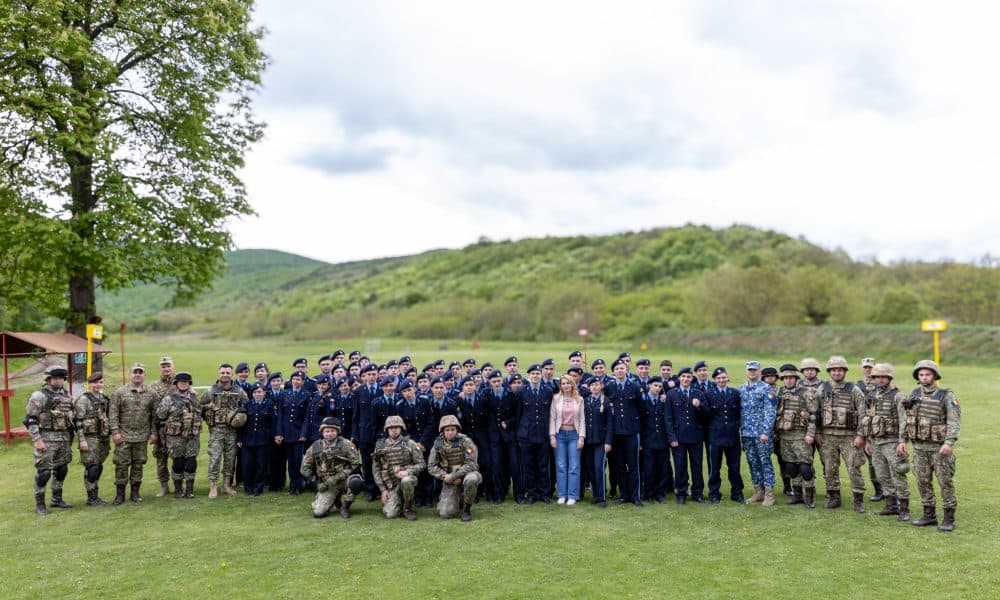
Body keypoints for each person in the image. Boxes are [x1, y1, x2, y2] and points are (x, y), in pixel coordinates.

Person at [905, 360, 960, 532]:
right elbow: (908, 418)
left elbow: (954, 421)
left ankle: (949, 518)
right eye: (921, 374)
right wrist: (903, 440)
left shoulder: (946, 395)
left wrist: (949, 443)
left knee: (945, 482)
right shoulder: (914, 394)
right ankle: (929, 515)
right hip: (920, 448)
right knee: (922, 481)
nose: (924, 377)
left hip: (939, 448)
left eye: (927, 374)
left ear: (935, 376)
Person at [25, 367, 78, 514]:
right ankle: (40, 504)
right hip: (46, 439)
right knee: (44, 473)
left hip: (64, 439)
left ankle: (57, 499)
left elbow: (72, 417)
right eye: (54, 378)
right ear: (48, 380)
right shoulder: (39, 396)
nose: (58, 381)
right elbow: (30, 419)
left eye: (60, 378)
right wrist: (37, 439)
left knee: (61, 469)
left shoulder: (67, 396)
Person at [817, 356, 867, 512]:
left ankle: (858, 500)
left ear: (845, 372)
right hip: (828, 436)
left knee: (854, 468)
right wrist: (817, 431)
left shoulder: (854, 390)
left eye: (840, 370)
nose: (837, 373)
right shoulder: (822, 389)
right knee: (830, 468)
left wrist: (860, 435)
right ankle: (834, 498)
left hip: (849, 437)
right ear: (829, 372)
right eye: (834, 370)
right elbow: (815, 412)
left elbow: (863, 414)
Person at [861, 363, 910, 520]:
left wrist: (902, 441)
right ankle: (891, 505)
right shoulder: (871, 396)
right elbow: (869, 418)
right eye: (877, 377)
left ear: (890, 378)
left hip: (892, 441)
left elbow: (904, 420)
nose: (880, 380)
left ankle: (904, 509)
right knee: (881, 475)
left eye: (884, 377)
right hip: (876, 442)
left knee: (898, 474)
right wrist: (868, 440)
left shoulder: (898, 396)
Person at [109, 363, 158, 505]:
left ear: (144, 375)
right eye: (135, 372)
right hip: (123, 435)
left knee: (138, 464)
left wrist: (154, 433)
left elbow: (155, 416)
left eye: (140, 372)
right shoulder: (120, 392)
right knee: (121, 465)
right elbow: (113, 413)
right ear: (130, 374)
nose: (137, 375)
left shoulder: (151, 394)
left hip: (142, 436)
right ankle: (120, 495)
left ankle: (135, 493)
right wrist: (115, 432)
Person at [200, 363, 248, 498]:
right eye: (222, 373)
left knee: (230, 459)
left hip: (232, 431)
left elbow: (247, 407)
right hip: (216, 430)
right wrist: (207, 408)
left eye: (227, 373)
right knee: (215, 458)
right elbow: (199, 407)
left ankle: (226, 485)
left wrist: (240, 416)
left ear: (232, 374)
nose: (225, 375)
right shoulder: (211, 391)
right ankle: (213, 486)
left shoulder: (239, 391)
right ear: (219, 374)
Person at [773, 364, 818, 508]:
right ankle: (797, 495)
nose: (788, 380)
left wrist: (810, 434)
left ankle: (809, 497)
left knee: (805, 468)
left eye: (791, 378)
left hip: (801, 436)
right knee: (790, 467)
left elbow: (813, 415)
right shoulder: (778, 393)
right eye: (786, 378)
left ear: (796, 378)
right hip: (784, 436)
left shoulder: (805, 393)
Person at [302, 417, 364, 518]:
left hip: (344, 480)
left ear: (337, 432)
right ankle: (335, 500)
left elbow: (355, 465)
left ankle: (345, 507)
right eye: (327, 431)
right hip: (327, 484)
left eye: (332, 431)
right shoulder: (316, 446)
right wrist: (316, 483)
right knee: (318, 513)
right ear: (322, 432)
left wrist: (337, 477)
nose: (329, 433)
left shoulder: (346, 444)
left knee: (356, 482)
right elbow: (305, 468)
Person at [606, 358, 648, 507]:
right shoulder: (609, 387)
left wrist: (638, 427)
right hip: (616, 433)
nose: (619, 371)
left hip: (632, 432)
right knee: (620, 466)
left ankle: (635, 496)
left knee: (633, 465)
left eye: (622, 368)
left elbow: (642, 409)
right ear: (613, 372)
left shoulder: (635, 387)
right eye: (617, 369)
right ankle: (624, 495)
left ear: (626, 370)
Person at [665, 367, 709, 504]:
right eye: (683, 376)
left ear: (691, 379)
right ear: (679, 378)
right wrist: (671, 437)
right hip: (678, 437)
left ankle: (697, 493)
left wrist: (699, 406)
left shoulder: (698, 393)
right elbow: (668, 418)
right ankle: (681, 492)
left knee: (697, 465)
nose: (685, 379)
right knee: (680, 466)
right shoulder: (671, 394)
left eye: (688, 377)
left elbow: (707, 414)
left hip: (695, 436)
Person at [154, 372, 201, 498]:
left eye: (186, 382)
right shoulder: (168, 399)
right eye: (181, 382)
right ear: (176, 384)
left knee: (191, 463)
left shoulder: (194, 398)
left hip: (192, 437)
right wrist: (162, 437)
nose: (183, 384)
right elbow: (159, 418)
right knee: (178, 463)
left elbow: (199, 413)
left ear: (189, 383)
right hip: (175, 438)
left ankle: (189, 490)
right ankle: (178, 490)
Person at [428, 415, 482, 521]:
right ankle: (459, 499)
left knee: (472, 479)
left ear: (457, 430)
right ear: (443, 431)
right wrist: (445, 476)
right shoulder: (437, 444)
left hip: (466, 474)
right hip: (448, 478)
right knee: (445, 513)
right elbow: (431, 466)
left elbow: (472, 464)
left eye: (452, 429)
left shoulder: (466, 441)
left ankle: (466, 510)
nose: (450, 432)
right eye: (447, 430)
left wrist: (455, 476)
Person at [372, 415, 425, 520]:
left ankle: (408, 509)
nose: (394, 430)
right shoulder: (380, 446)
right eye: (391, 428)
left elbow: (422, 464)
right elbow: (376, 470)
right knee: (390, 514)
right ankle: (397, 501)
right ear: (387, 429)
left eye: (396, 427)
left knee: (406, 480)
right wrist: (383, 490)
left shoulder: (411, 444)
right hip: (391, 485)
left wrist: (408, 472)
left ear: (401, 428)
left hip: (407, 480)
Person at [739, 361, 777, 507]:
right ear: (746, 371)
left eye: (754, 370)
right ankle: (758, 491)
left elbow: (771, 412)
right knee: (752, 463)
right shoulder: (742, 389)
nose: (752, 372)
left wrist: (766, 431)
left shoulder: (767, 388)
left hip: (761, 434)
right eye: (750, 370)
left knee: (765, 463)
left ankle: (769, 494)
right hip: (747, 434)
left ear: (759, 372)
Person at [706, 367, 744, 504]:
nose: (721, 380)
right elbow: (706, 414)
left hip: (732, 436)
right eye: (718, 378)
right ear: (715, 380)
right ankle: (714, 493)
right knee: (715, 468)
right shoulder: (709, 394)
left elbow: (739, 412)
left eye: (723, 377)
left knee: (734, 467)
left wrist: (736, 425)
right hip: (716, 436)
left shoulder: (735, 393)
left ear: (727, 378)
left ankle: (737, 493)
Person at [74, 371, 112, 506]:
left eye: (100, 382)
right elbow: (78, 421)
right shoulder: (83, 400)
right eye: (95, 382)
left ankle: (96, 496)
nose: (98, 385)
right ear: (89, 384)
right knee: (92, 467)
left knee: (99, 466)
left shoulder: (104, 399)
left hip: (103, 437)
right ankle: (91, 498)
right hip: (90, 438)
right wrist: (82, 440)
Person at [516, 364, 553, 504]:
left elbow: (550, 413)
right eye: (533, 374)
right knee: (529, 465)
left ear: (541, 375)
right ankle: (531, 493)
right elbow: (519, 414)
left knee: (543, 466)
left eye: (537, 373)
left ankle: (544, 493)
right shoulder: (521, 391)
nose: (535, 376)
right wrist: (520, 432)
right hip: (526, 434)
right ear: (529, 376)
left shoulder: (548, 391)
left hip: (543, 434)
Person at [549, 375, 585, 505]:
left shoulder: (579, 399)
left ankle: (572, 495)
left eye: (568, 383)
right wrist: (552, 436)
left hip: (574, 435)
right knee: (561, 466)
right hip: (559, 435)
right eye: (563, 384)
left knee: (574, 466)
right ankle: (562, 495)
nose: (566, 386)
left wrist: (581, 438)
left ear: (572, 384)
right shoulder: (556, 399)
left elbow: (582, 419)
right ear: (561, 386)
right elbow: (552, 418)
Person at [486, 370, 521, 504]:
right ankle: (499, 494)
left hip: (509, 436)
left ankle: (518, 494)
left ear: (502, 380)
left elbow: (516, 415)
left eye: (498, 381)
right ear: (490, 382)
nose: (496, 383)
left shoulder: (511, 395)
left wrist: (508, 423)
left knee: (514, 465)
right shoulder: (487, 395)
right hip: (495, 437)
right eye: (493, 381)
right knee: (496, 466)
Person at [275, 370, 310, 495]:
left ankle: (299, 486)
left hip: (298, 433)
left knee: (298, 461)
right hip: (286, 433)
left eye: (298, 379)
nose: (296, 381)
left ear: (303, 381)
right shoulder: (284, 394)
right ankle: (292, 486)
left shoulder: (306, 395)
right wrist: (279, 433)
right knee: (290, 462)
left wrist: (303, 433)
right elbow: (280, 415)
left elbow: (307, 417)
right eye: (294, 379)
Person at [238, 382, 275, 496]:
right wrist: (239, 439)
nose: (257, 394)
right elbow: (242, 424)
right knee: (247, 465)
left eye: (259, 392)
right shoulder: (247, 405)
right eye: (254, 392)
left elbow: (273, 422)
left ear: (264, 393)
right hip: (248, 440)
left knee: (261, 465)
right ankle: (248, 487)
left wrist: (274, 436)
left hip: (263, 439)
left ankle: (258, 488)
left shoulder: (269, 405)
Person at [147, 356, 176, 497]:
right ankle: (164, 486)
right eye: (163, 366)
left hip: (177, 429)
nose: (166, 369)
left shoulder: (180, 383)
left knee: (178, 456)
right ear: (160, 369)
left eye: (168, 366)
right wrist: (153, 431)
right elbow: (150, 410)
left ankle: (179, 484)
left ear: (173, 367)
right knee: (161, 457)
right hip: (160, 428)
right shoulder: (153, 386)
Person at [639, 376, 670, 503]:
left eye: (660, 386)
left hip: (662, 440)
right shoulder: (643, 401)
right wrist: (641, 441)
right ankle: (649, 494)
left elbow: (667, 421)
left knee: (662, 468)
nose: (657, 388)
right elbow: (640, 422)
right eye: (655, 385)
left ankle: (660, 493)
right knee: (649, 469)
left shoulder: (664, 401)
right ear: (649, 386)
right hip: (648, 440)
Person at [583, 377, 610, 507]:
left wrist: (608, 442)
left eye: (597, 384)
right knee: (591, 469)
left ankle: (602, 497)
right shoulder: (585, 401)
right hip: (588, 440)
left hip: (601, 440)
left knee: (599, 468)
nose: (594, 387)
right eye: (592, 385)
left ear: (601, 386)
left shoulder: (606, 401)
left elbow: (610, 423)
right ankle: (595, 494)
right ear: (589, 387)